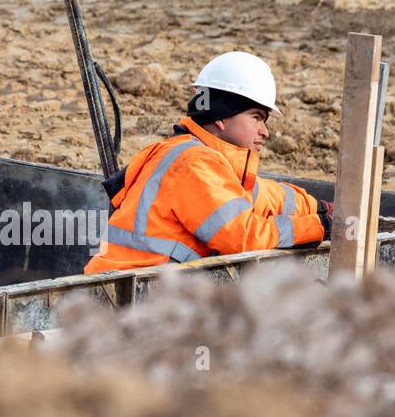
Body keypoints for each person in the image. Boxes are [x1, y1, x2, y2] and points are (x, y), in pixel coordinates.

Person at [86, 51, 331, 274]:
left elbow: (264, 196)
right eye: (256, 117)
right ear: (221, 117)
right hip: (132, 291)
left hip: (137, 283)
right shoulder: (194, 163)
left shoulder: (196, 156)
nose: (264, 131)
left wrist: (317, 207)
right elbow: (241, 236)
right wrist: (320, 226)